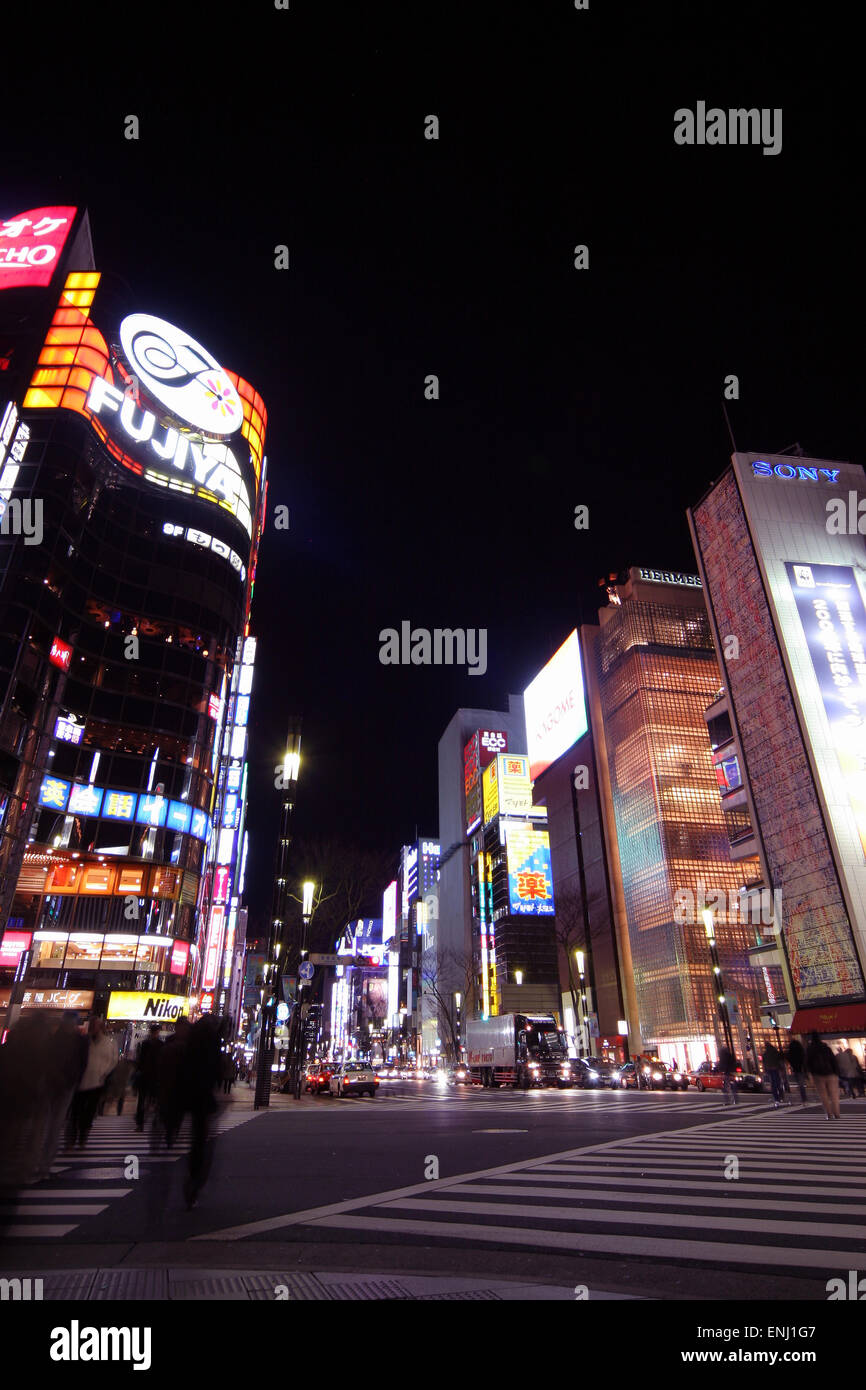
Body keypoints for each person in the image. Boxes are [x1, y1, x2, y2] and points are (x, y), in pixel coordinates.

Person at [69, 1017, 119, 1147]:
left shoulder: (109, 1043)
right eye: (92, 1025)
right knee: (76, 1111)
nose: (93, 1028)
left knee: (89, 1112)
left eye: (95, 1025)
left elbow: (113, 1062)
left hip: (97, 1082)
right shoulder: (84, 1041)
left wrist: (104, 1073)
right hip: (80, 1081)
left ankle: (82, 1136)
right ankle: (73, 1137)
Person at [134, 1024, 163, 1131]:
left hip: (146, 1075)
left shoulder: (146, 1044)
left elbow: (140, 1061)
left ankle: (141, 1123)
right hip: (153, 1076)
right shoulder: (159, 1044)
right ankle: (150, 1121)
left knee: (143, 1100)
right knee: (152, 1100)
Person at [806, 1030, 841, 1119]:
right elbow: (834, 1061)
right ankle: (837, 1113)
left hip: (818, 1075)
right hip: (831, 1073)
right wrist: (837, 1072)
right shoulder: (826, 1048)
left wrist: (809, 1075)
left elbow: (807, 1063)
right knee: (834, 1094)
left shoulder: (810, 1049)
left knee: (823, 1095)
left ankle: (829, 1114)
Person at [761, 1041, 786, 1107]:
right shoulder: (774, 1051)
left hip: (770, 1069)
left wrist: (765, 1070)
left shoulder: (765, 1053)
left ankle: (776, 1098)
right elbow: (779, 1059)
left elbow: (764, 1063)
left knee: (773, 1084)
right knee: (778, 1083)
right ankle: (781, 1096)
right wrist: (780, 1068)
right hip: (775, 1069)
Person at [785, 1037, 808, 1105]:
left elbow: (788, 1058)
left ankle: (803, 1098)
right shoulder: (800, 1050)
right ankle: (804, 1098)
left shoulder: (791, 1051)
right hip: (801, 1067)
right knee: (801, 1083)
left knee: (800, 1083)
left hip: (796, 1068)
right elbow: (804, 1057)